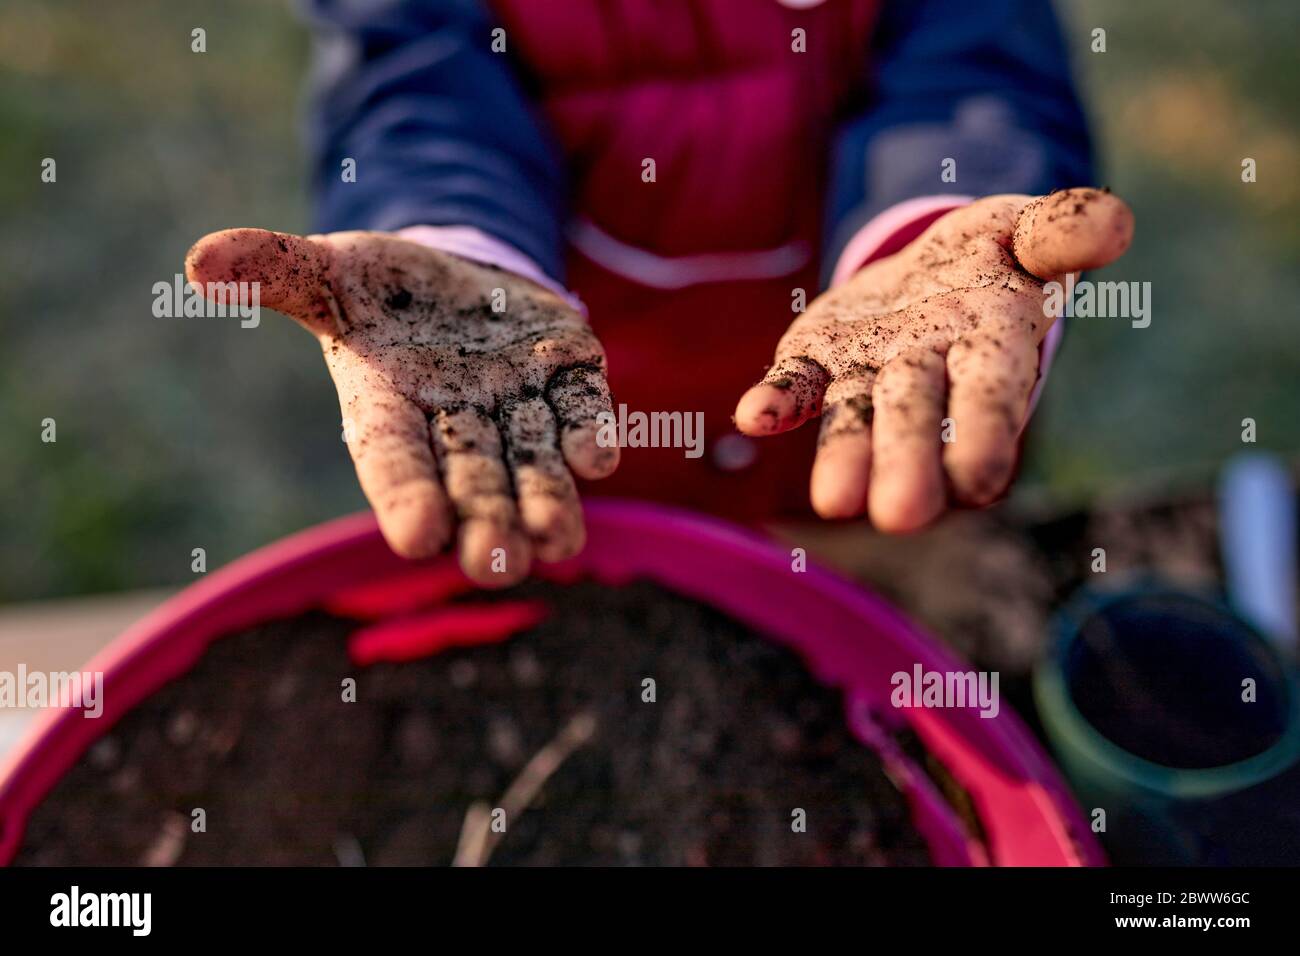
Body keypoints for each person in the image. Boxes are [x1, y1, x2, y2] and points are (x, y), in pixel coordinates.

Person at [185, 0, 1133, 586]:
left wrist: (930, 221)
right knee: (618, 589)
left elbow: (972, 60)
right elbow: (419, 79)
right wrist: (444, 234)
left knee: (877, 576)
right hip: (575, 385)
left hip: (878, 368)